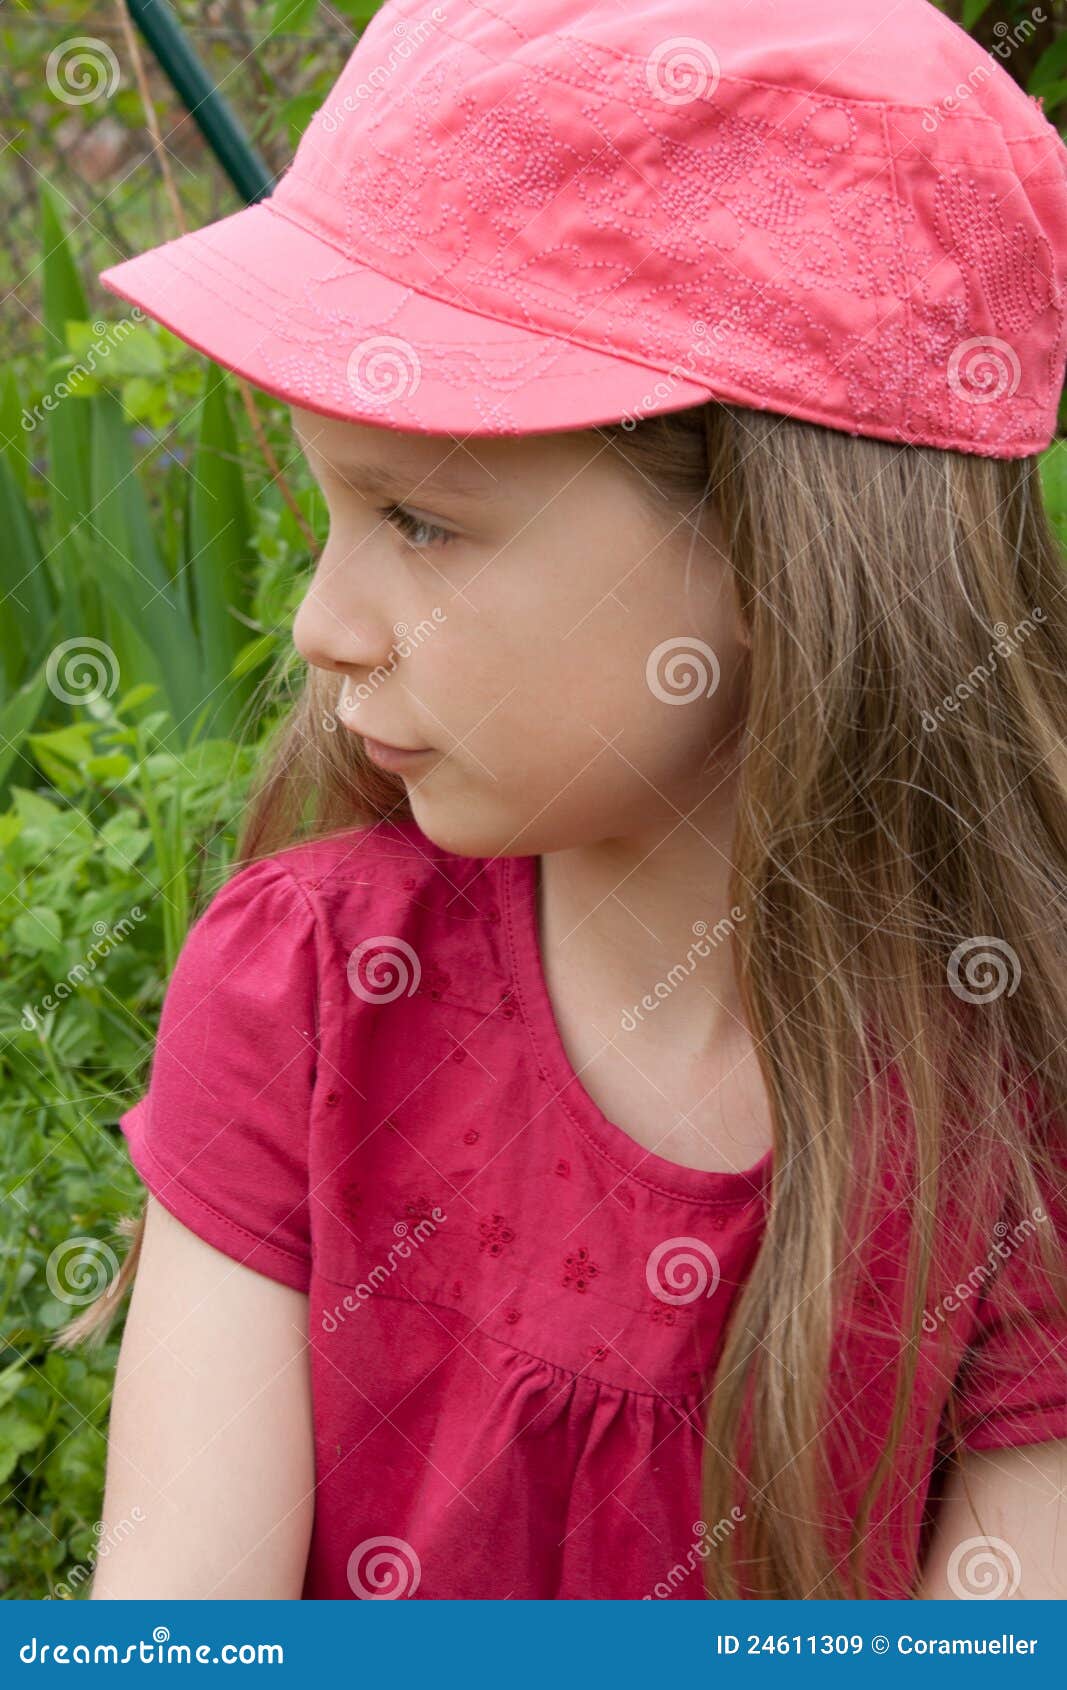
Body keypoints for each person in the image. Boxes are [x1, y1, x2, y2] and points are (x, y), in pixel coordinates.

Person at [76, 0, 1067, 1599]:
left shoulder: (1010, 1123)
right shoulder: (312, 997)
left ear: (772, 548)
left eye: (422, 521)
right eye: (331, 511)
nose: (320, 626)